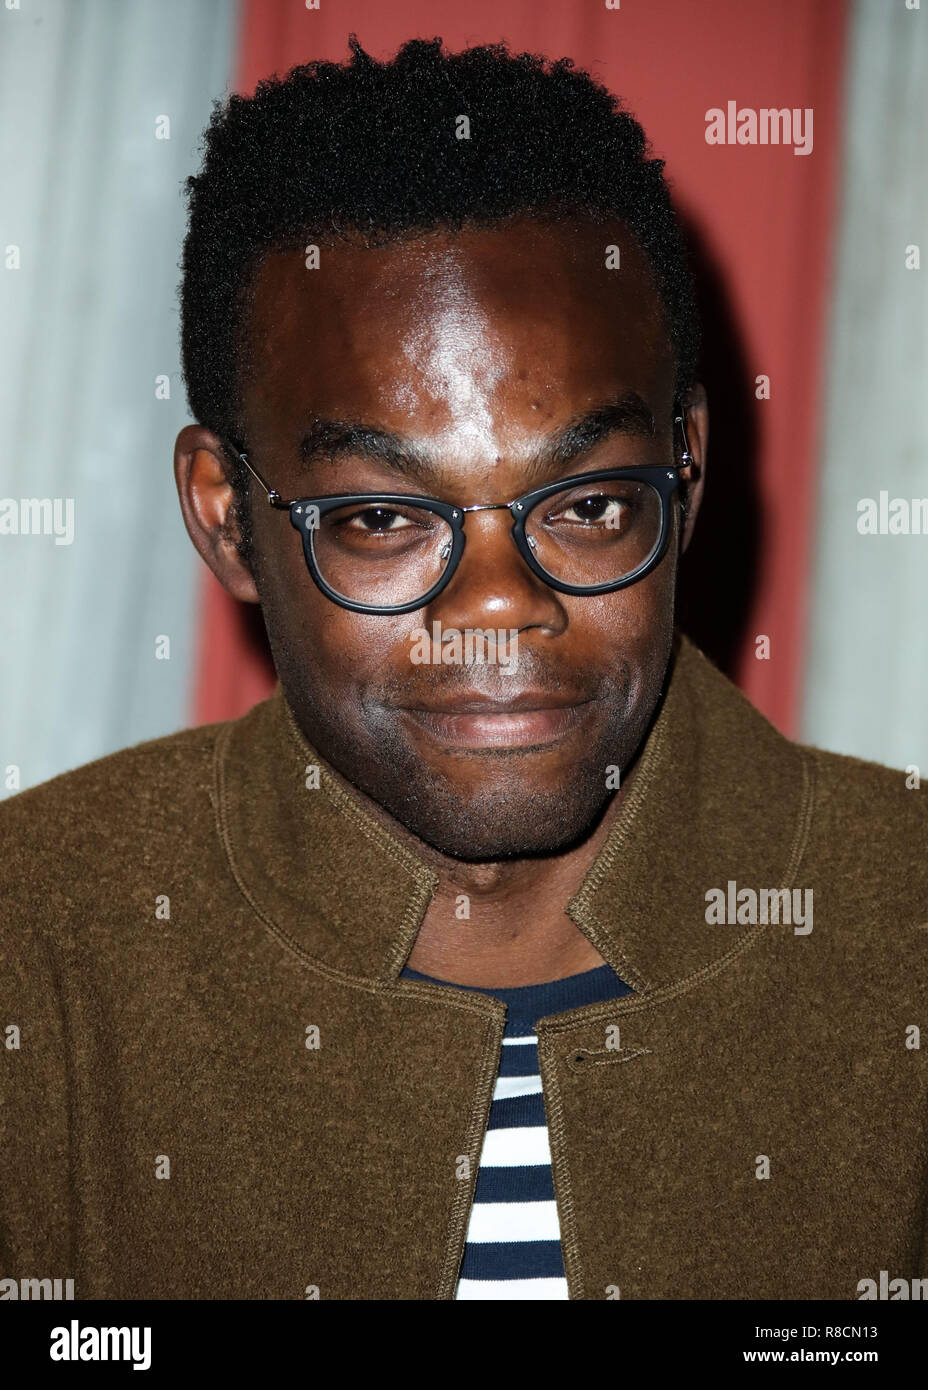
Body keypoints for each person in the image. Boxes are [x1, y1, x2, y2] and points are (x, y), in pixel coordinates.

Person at [2, 37, 926, 1302]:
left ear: (687, 473)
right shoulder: (38, 939)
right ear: (226, 519)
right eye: (382, 519)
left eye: (589, 503)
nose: (502, 609)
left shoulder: (903, 924)